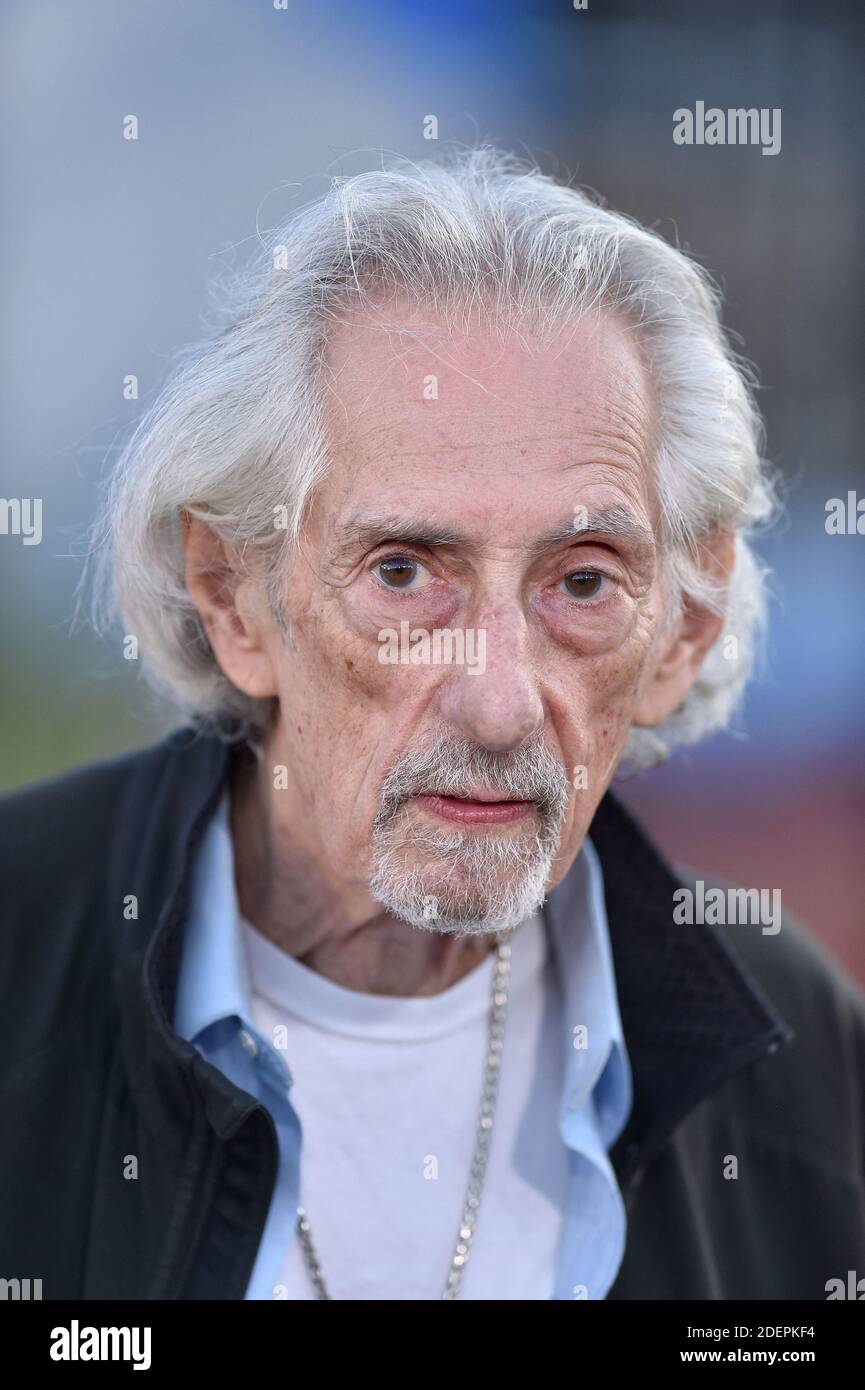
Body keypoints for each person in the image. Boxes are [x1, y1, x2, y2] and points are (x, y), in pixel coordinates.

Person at [2, 148, 863, 1301]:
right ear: (234, 598)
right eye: (404, 571)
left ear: (682, 631)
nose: (498, 701)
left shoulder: (801, 1059)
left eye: (583, 582)